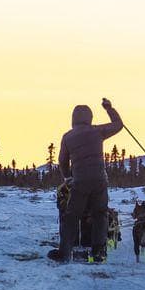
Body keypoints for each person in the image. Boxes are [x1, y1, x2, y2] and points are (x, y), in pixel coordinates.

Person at [50, 98, 123, 262]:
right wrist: (109, 108)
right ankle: (98, 252)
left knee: (72, 216)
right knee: (100, 215)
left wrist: (68, 177)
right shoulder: (97, 131)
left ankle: (64, 252)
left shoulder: (68, 137)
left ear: (73, 119)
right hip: (99, 180)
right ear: (89, 118)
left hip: (80, 181)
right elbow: (118, 125)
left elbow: (62, 160)